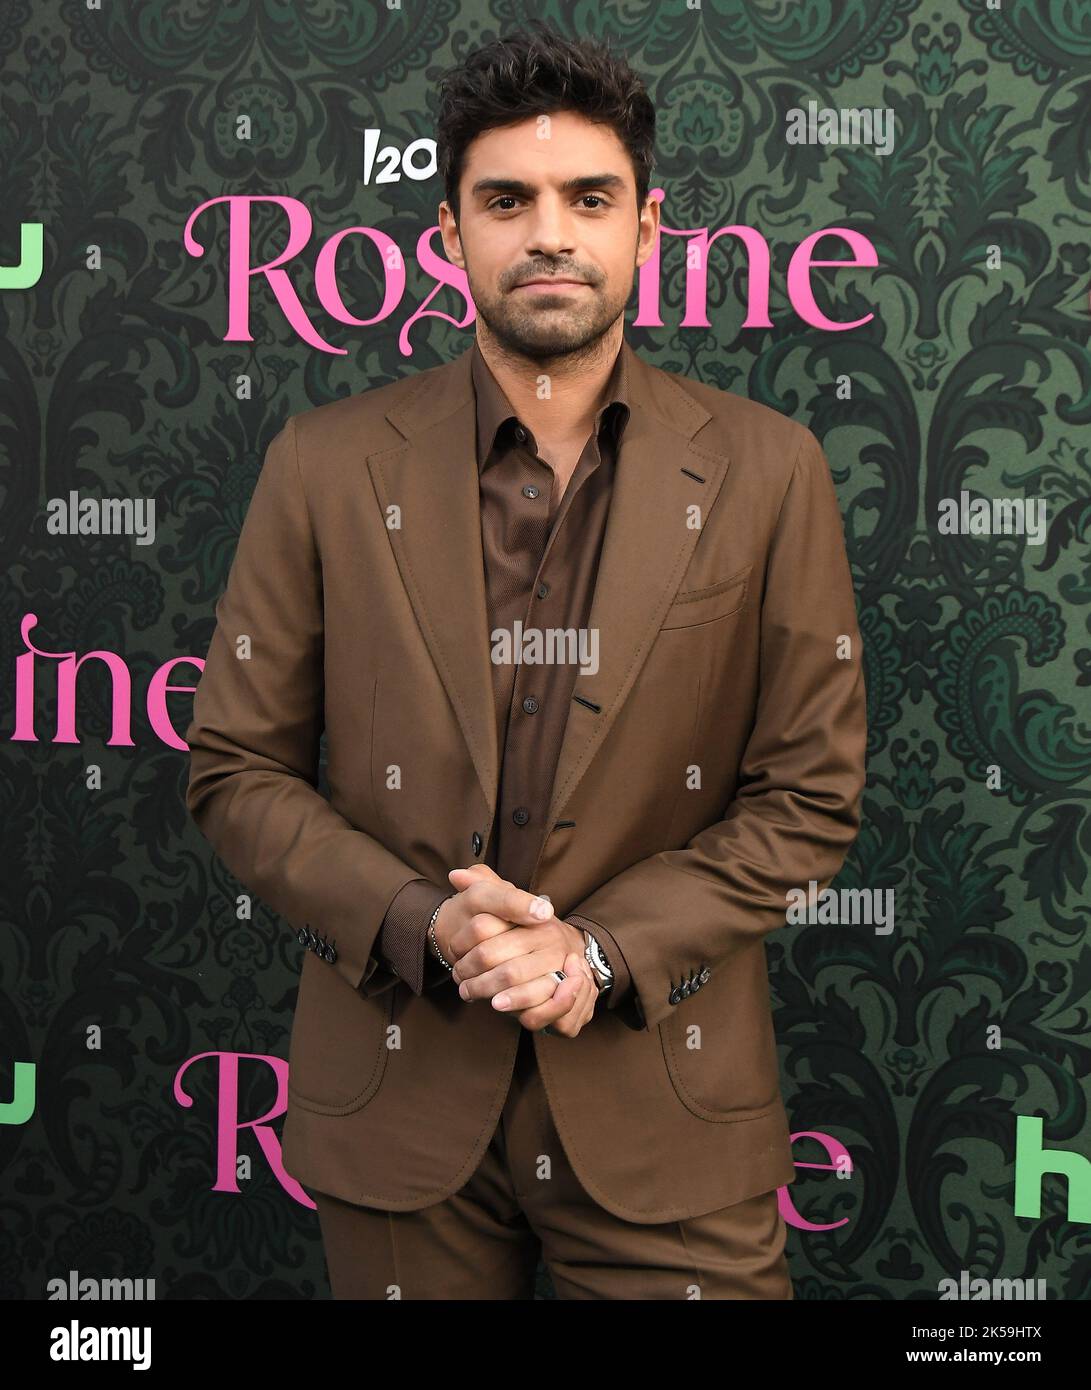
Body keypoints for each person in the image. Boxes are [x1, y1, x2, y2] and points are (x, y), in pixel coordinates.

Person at [184, 22, 867, 1300]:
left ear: (645, 229)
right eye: (507, 200)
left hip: (666, 1104)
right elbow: (233, 769)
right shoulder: (325, 468)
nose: (548, 233)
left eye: (587, 199)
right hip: (396, 1101)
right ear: (448, 234)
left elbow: (808, 797)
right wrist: (423, 922)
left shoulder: (770, 472)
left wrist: (595, 952)